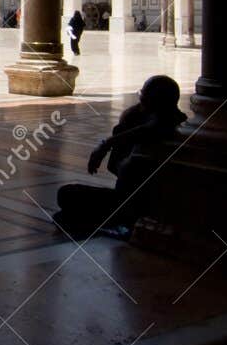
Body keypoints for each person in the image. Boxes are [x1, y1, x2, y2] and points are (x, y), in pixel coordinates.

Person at [55, 75, 187, 238]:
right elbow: (116, 167)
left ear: (155, 101)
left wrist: (108, 144)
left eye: (144, 97)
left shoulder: (163, 129)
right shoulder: (163, 122)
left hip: (137, 205)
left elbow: (120, 169)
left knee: (67, 195)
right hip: (131, 199)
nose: (141, 101)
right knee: (69, 199)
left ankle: (111, 221)